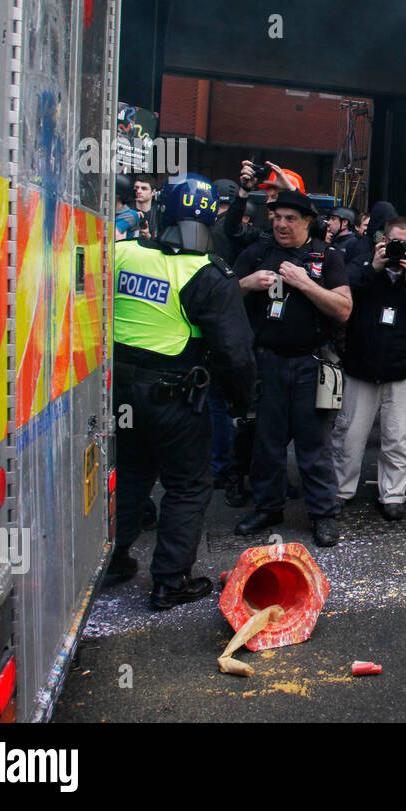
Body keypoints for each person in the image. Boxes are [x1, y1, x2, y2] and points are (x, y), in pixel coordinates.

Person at [110, 175, 256, 609]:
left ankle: (112, 559)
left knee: (131, 473)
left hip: (117, 391)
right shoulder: (210, 274)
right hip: (173, 395)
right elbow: (236, 352)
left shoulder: (120, 254)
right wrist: (244, 406)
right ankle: (170, 581)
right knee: (188, 486)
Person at [232, 189, 352, 547]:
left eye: (290, 218)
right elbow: (222, 297)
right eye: (277, 217)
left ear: (307, 222)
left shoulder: (326, 257)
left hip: (311, 363)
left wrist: (304, 282)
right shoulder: (256, 253)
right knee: (266, 441)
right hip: (268, 361)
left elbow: (344, 309)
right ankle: (268, 508)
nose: (282, 224)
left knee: (314, 444)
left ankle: (323, 513)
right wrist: (246, 284)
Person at [330, 218, 406, 519]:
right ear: (382, 241)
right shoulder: (362, 265)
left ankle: (392, 494)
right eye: (396, 243)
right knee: (349, 435)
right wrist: (372, 269)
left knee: (398, 437)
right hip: (360, 368)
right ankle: (341, 490)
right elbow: (341, 297)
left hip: (402, 371)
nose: (401, 250)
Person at [133, 174, 160, 239]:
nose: (139, 191)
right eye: (136, 188)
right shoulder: (127, 211)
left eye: (144, 188)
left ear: (153, 192)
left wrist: (148, 236)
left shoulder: (158, 213)